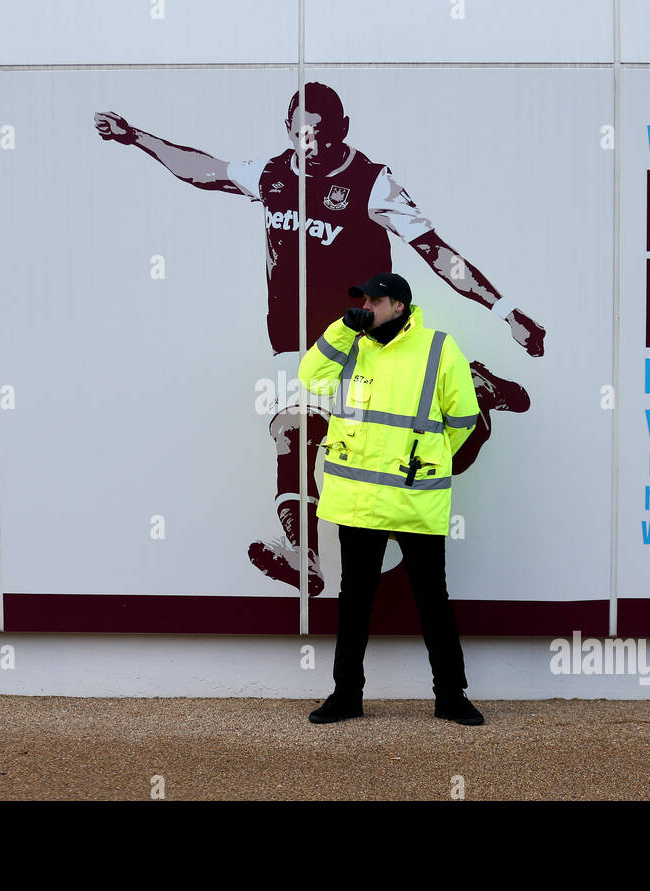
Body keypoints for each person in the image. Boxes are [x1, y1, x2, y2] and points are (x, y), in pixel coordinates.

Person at [95, 82, 541, 599]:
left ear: (343, 130)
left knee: (431, 457)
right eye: (301, 134)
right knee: (291, 431)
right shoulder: (273, 174)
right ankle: (302, 556)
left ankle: (478, 388)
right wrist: (136, 138)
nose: (310, 146)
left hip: (367, 344)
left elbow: (436, 252)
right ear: (288, 131)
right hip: (297, 345)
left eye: (322, 136)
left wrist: (504, 309)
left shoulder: (373, 184)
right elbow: (205, 170)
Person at [298, 272, 484, 725]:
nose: (366, 304)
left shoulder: (439, 347)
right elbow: (309, 377)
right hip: (360, 501)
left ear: (399, 306)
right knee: (354, 601)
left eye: (374, 300)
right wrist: (343, 327)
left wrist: (429, 458)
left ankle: (451, 696)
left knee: (432, 600)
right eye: (362, 297)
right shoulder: (350, 343)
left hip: (414, 496)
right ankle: (346, 696)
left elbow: (463, 420)